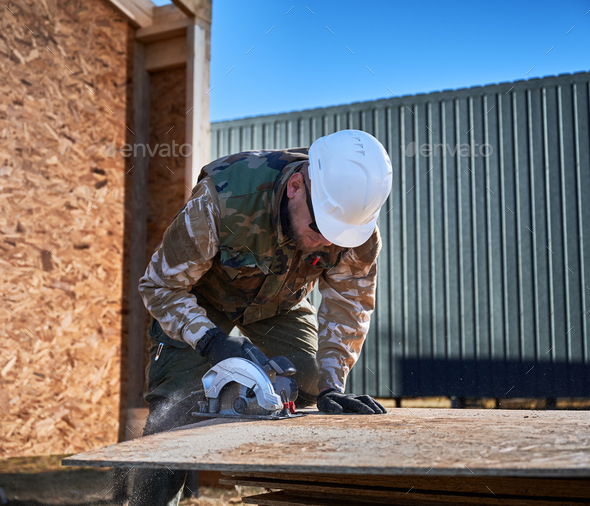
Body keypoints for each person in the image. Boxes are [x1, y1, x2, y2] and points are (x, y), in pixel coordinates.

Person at [129, 129, 393, 505]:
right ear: (296, 187)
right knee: (173, 405)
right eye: (320, 230)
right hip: (201, 300)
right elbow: (160, 286)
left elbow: (348, 308)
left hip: (281, 304)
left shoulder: (355, 228)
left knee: (308, 381)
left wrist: (332, 385)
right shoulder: (222, 198)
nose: (329, 243)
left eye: (341, 237)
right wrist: (210, 341)